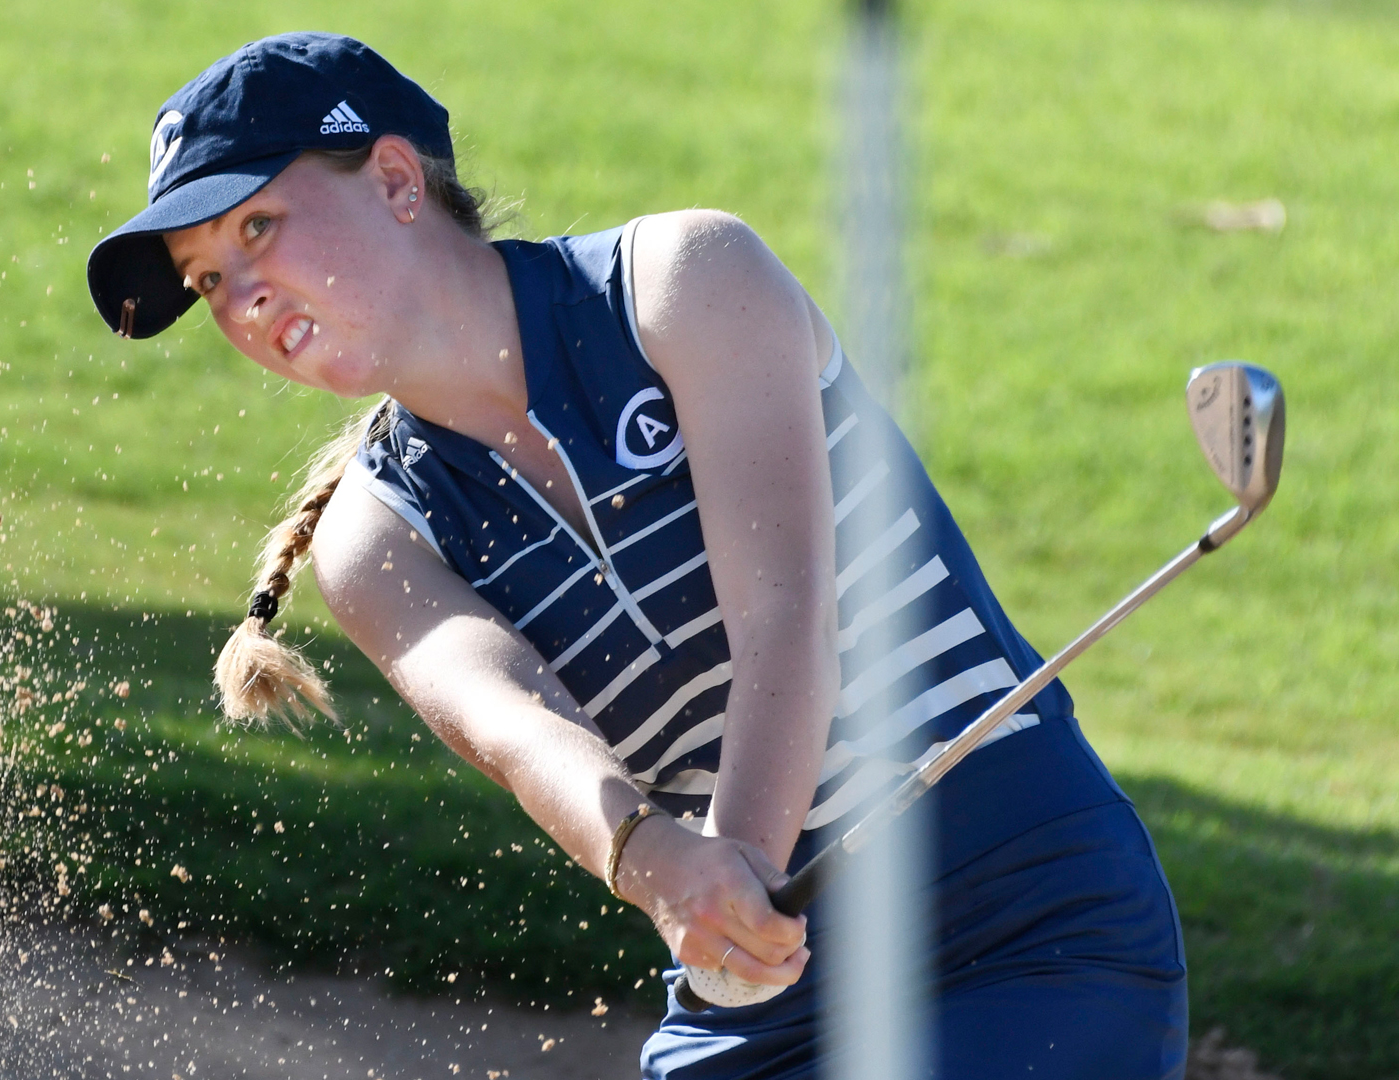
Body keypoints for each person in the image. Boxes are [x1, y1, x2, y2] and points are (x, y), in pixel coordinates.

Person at [85, 32, 1187, 1079]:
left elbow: (784, 615)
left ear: (395, 180)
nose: (241, 294)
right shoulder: (375, 539)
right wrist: (666, 874)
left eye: (258, 229)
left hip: (1023, 911)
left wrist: (738, 874)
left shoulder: (681, 282)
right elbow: (520, 734)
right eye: (206, 280)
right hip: (763, 982)